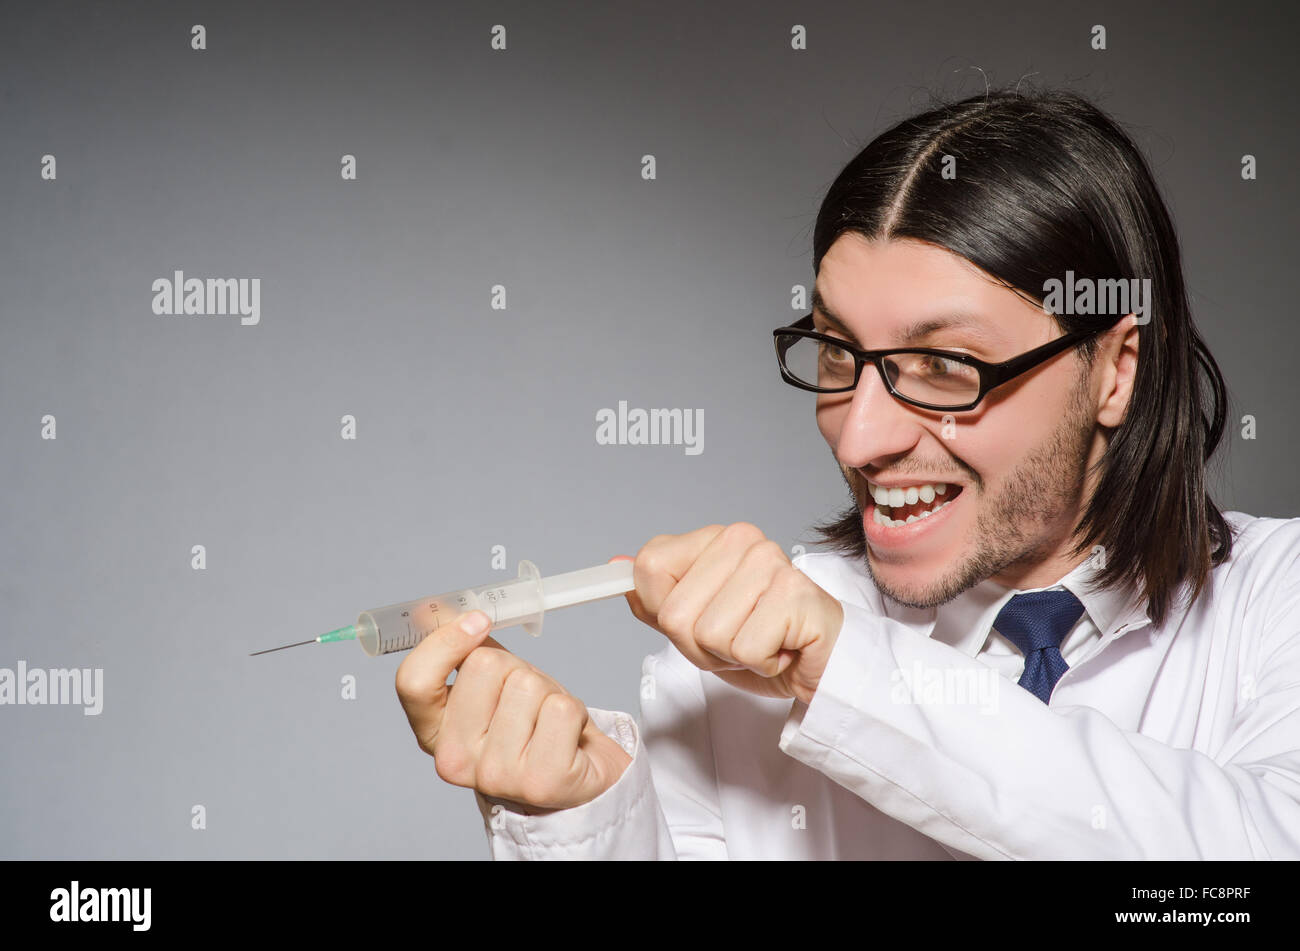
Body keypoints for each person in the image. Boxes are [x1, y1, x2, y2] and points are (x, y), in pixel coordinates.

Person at [395, 87, 1300, 859]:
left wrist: (844, 670)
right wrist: (581, 814)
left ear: (1115, 368)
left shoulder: (1277, 604)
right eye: (836, 354)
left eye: (946, 365)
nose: (861, 436)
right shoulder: (720, 678)